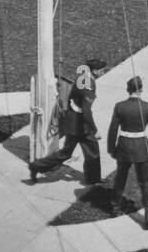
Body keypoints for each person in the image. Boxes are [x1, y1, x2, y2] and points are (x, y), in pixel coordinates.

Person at [28, 58, 106, 186]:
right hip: (79, 124)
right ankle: (36, 166)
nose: (103, 72)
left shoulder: (83, 78)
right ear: (95, 71)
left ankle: (94, 179)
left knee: (82, 152)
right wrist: (95, 130)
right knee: (71, 153)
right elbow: (86, 111)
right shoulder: (88, 85)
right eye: (102, 71)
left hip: (75, 121)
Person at [107, 75, 148, 230]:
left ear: (128, 90)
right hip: (142, 148)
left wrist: (112, 149)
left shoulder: (119, 106)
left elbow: (113, 130)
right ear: (141, 90)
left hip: (124, 147)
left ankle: (114, 207)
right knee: (146, 182)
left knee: (120, 178)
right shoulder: (147, 107)